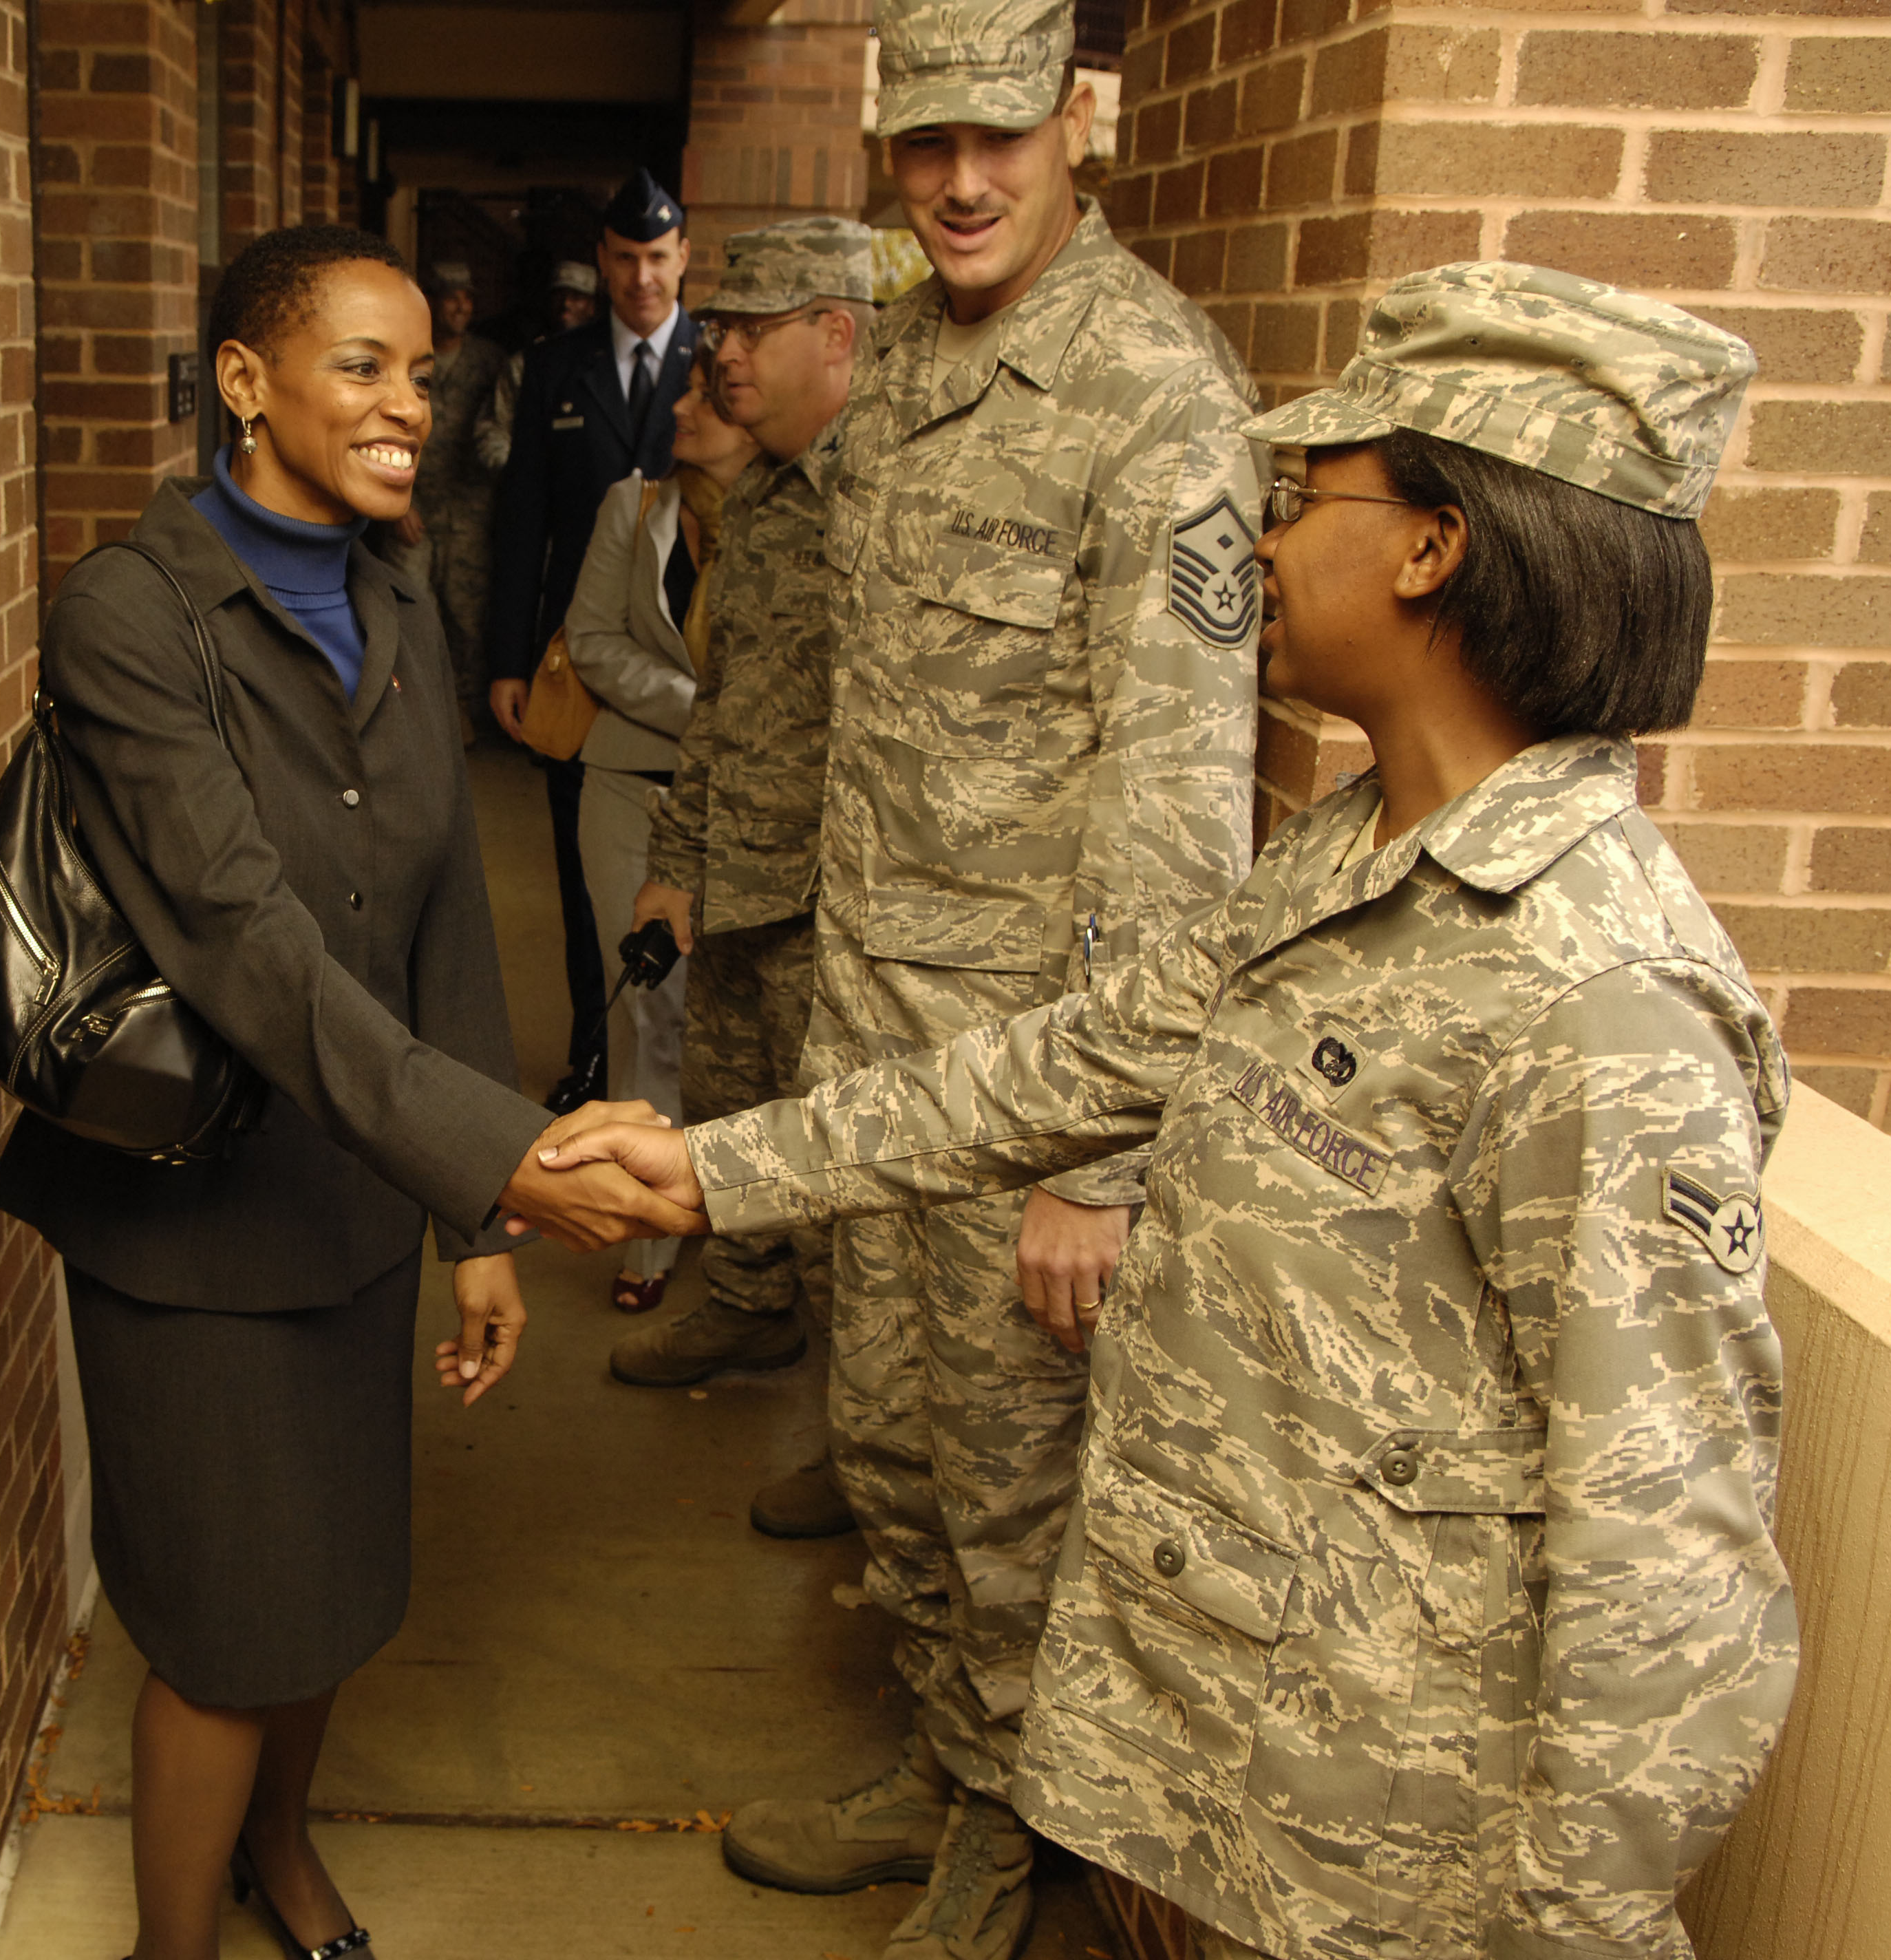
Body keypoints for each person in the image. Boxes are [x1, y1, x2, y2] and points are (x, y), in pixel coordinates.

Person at [536, 260, 1795, 1960]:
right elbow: (1061, 1064)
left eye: (1305, 499)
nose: (1259, 546)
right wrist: (706, 1166)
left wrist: (1564, 1919)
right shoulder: (1346, 854)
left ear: (1434, 546)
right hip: (1200, 1787)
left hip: (1378, 1869)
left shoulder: (1599, 994)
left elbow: (1669, 1570)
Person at [0, 224, 696, 1960]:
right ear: (244, 381)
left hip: (356, 1189)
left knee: (323, 1595)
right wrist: (515, 1158)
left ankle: (278, 1856)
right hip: (192, 1216)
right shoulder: (130, 612)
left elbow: (444, 898)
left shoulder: (389, 578)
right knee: (226, 1626)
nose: (407, 405)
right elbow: (246, 945)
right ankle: (173, 1943)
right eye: (360, 366)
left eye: (421, 372)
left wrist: (466, 1214)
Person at [712, 2, 1268, 1952]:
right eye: (925, 140)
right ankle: (949, 1763)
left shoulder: (1150, 396)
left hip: (1029, 1078)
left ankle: (1017, 1845)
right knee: (892, 1455)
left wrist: (1098, 1159)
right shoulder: (916, 367)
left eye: (999, 139)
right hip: (876, 1051)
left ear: (1079, 127)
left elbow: (1180, 812)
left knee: (1020, 1493)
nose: (958, 180)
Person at [615, 216, 869, 1425]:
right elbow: (723, 703)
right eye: (713, 327)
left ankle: (859, 1433)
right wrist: (676, 867)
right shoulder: (764, 496)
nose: (717, 354)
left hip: (837, 907)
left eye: (745, 329)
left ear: (837, 334)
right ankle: (746, 1303)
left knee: (835, 1177)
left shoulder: (890, 495)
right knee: (724, 1122)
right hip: (736, 889)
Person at [487, 171, 700, 1111]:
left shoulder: (717, 360)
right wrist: (505, 658)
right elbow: (520, 517)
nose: (642, 277)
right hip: (580, 672)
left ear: (683, 258)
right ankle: (593, 1059)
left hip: (688, 664)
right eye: (625, 258)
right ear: (604, 263)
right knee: (586, 883)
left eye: (659, 257)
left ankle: (680, 1082)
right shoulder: (555, 365)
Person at [557, 364, 760, 1315]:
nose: (678, 410)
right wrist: (708, 715)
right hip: (630, 792)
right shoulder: (634, 509)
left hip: (753, 810)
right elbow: (593, 641)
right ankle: (644, 1240)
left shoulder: (793, 522)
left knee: (735, 1020)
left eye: (706, 401)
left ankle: (747, 1233)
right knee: (645, 1011)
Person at [413, 262, 506, 727]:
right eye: (451, 295)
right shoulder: (410, 356)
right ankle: (418, 711)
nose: (461, 305)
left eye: (468, 296)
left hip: (470, 508)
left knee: (467, 612)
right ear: (430, 300)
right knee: (412, 608)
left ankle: (464, 710)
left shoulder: (490, 361)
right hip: (414, 506)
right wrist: (399, 504)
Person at [474, 262, 601, 479]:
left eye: (577, 297)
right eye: (559, 295)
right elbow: (493, 428)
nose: (566, 305)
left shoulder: (608, 363)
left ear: (592, 306)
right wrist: (523, 472)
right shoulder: (525, 364)